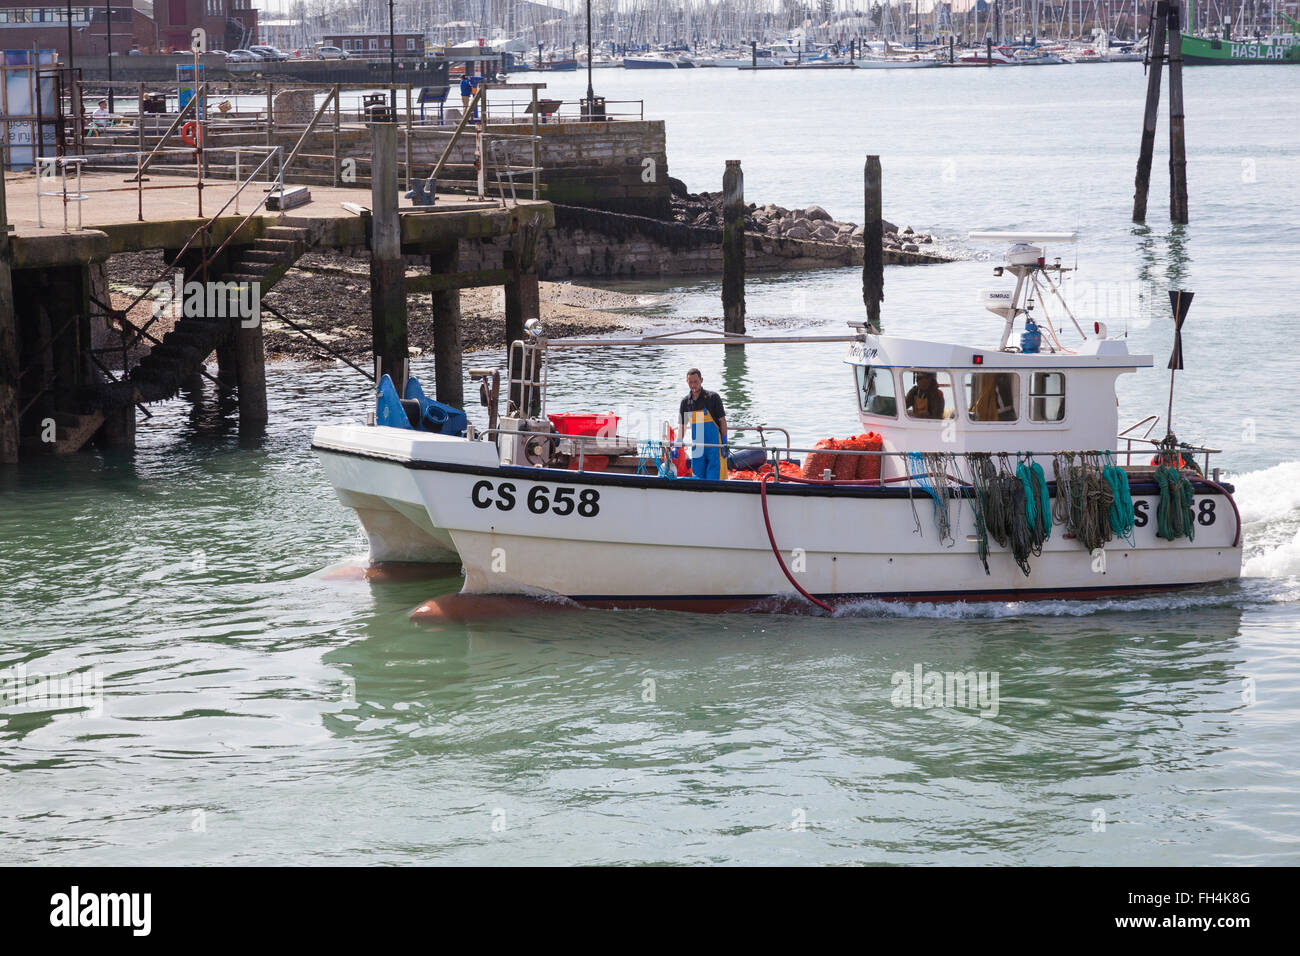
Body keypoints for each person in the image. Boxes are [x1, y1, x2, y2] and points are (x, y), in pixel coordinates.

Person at [680, 368, 727, 479]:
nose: (693, 385)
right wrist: (678, 443)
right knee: (697, 478)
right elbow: (682, 426)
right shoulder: (685, 402)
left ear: (701, 380)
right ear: (687, 382)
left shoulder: (713, 398)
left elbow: (722, 421)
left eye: (695, 382)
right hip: (697, 447)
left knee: (715, 478)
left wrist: (725, 441)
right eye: (690, 382)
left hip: (714, 446)